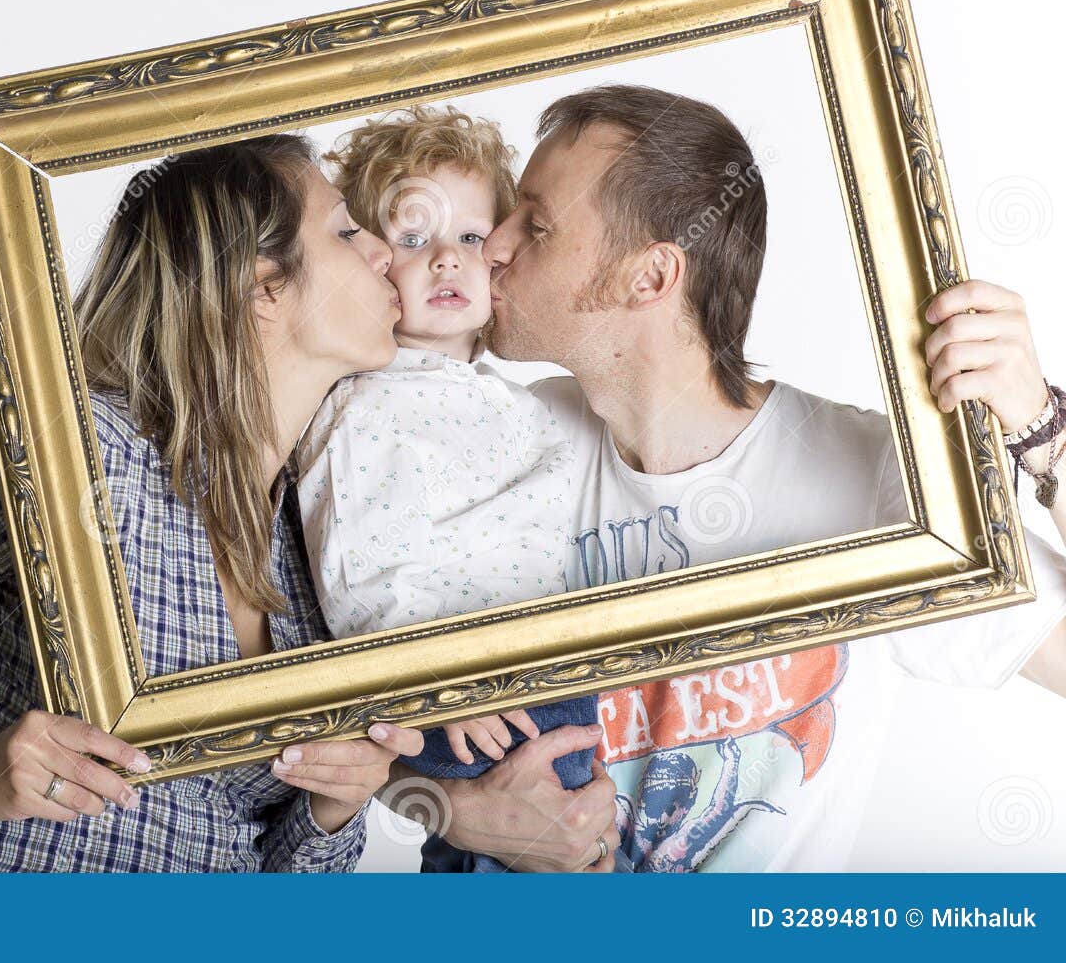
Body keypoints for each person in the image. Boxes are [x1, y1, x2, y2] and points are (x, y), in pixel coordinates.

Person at [399, 82, 1066, 871]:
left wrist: (1044, 433)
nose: (492, 246)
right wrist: (456, 810)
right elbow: (342, 696)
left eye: (536, 226)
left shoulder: (879, 484)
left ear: (650, 277)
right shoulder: (499, 438)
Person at [0, 135, 429, 871]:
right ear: (263, 289)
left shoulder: (320, 534)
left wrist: (334, 807)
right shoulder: (72, 450)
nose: (384, 251)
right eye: (346, 232)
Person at [295, 106, 598, 872]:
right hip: (463, 705)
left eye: (469, 237)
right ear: (370, 262)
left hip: (551, 677)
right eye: (412, 238)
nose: (445, 260)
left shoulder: (519, 399)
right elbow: (362, 576)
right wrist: (440, 687)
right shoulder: (366, 405)